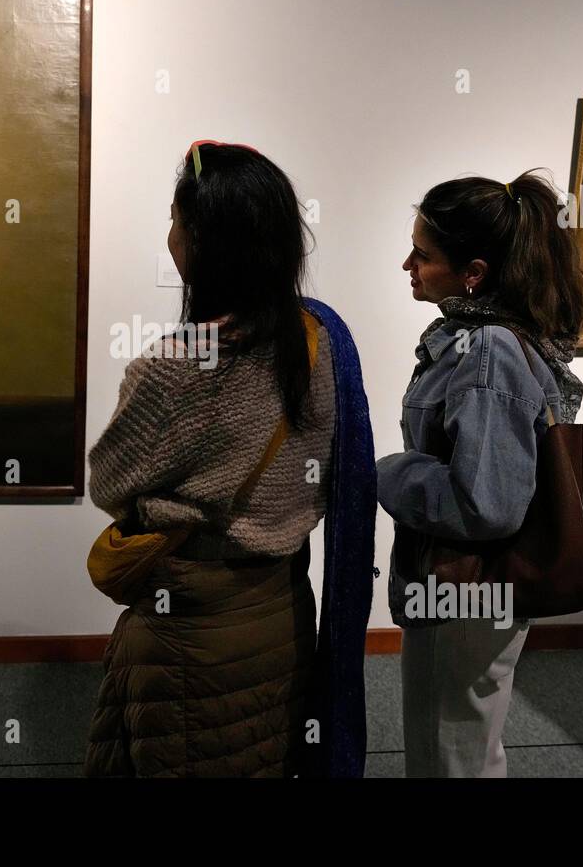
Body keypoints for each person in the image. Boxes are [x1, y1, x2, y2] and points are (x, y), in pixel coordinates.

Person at [84, 141, 375, 777]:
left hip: (192, 623)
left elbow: (108, 484)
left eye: (175, 220)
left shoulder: (172, 368)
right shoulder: (320, 344)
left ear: (202, 242)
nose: (170, 235)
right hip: (281, 611)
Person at [376, 170, 583, 777]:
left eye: (422, 253)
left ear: (472, 272)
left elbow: (485, 506)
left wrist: (385, 474)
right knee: (457, 746)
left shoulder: (489, 349)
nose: (406, 264)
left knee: (454, 756)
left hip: (466, 590)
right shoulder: (479, 340)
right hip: (462, 590)